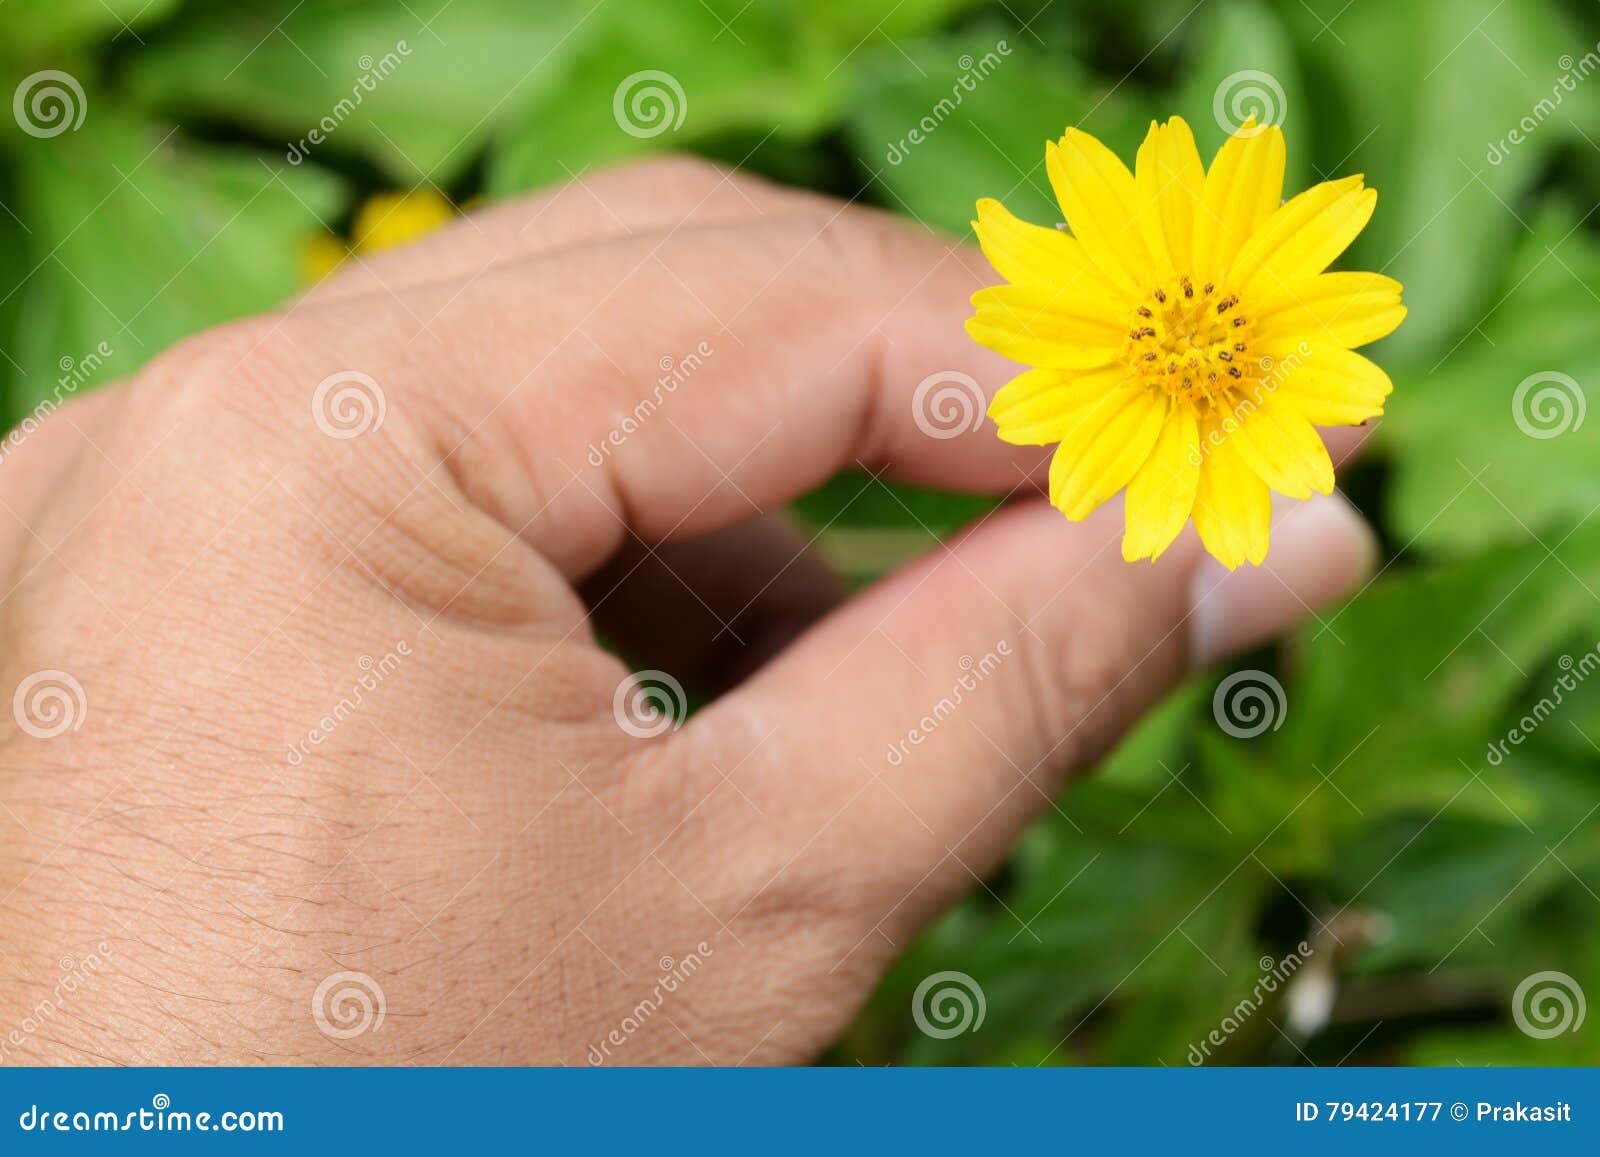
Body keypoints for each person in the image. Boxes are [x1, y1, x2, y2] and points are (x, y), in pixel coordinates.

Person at [0, 156, 1373, 1065]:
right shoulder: (1093, 371)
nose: (1198, 343)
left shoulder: (1265, 342)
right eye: (1190, 331)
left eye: (1211, 340)